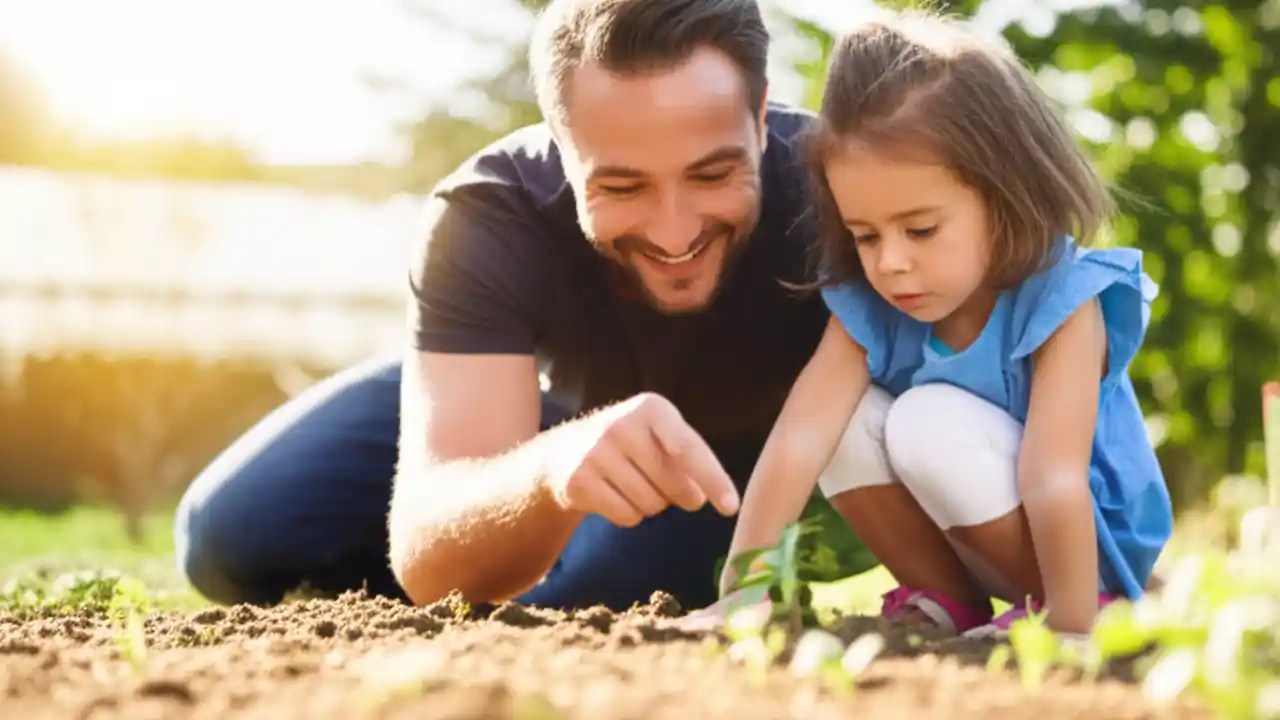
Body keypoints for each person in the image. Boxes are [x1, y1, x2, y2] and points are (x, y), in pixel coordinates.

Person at [174, 0, 872, 612]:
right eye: (622, 188)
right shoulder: (489, 211)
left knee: (599, 586)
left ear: (759, 114)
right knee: (232, 538)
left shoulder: (848, 188)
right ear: (559, 144)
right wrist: (545, 472)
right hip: (553, 408)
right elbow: (429, 557)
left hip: (736, 461)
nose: (675, 231)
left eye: (712, 174)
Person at [714, 9, 1173, 637]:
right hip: (981, 536)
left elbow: (1054, 475)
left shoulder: (1067, 299)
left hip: (1083, 551)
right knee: (843, 420)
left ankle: (1066, 607)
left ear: (1003, 194)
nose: (892, 264)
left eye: (921, 230)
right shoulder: (870, 303)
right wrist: (741, 595)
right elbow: (801, 439)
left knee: (924, 418)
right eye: (865, 235)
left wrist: (1074, 624)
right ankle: (947, 599)